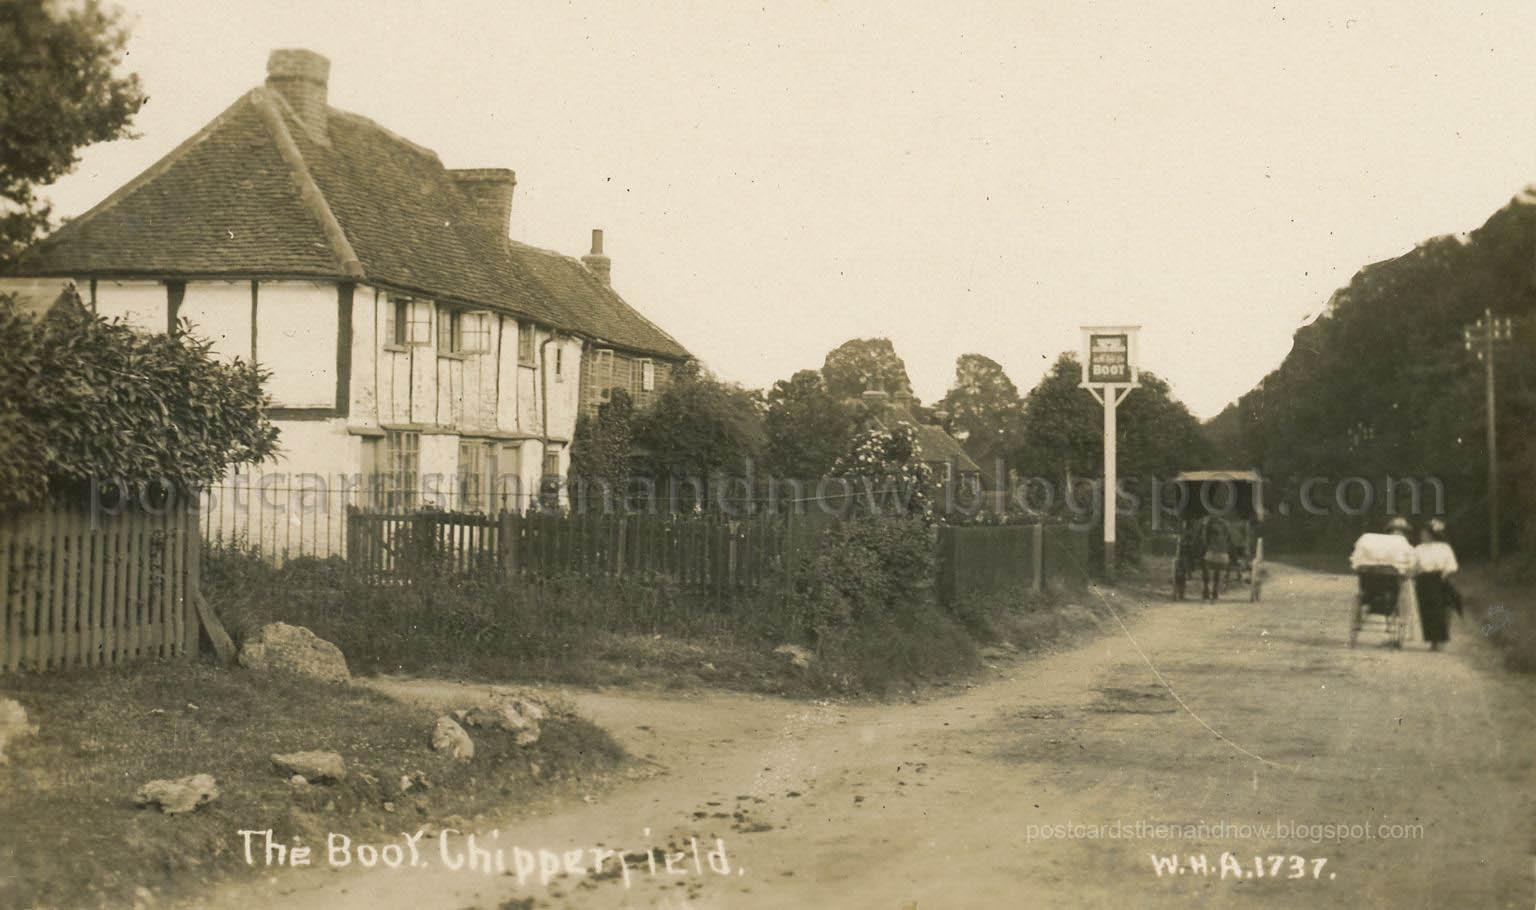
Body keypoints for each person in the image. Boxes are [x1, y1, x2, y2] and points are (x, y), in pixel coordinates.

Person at [1413, 518, 1459, 651]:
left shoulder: (1444, 547)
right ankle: (1432, 641)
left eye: (1425, 533)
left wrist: (1443, 578)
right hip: (1423, 580)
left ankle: (1440, 640)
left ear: (1432, 534)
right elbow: (1415, 566)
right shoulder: (1419, 548)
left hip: (1439, 580)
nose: (1422, 535)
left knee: (1439, 610)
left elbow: (1451, 566)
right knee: (1426, 611)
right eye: (1422, 533)